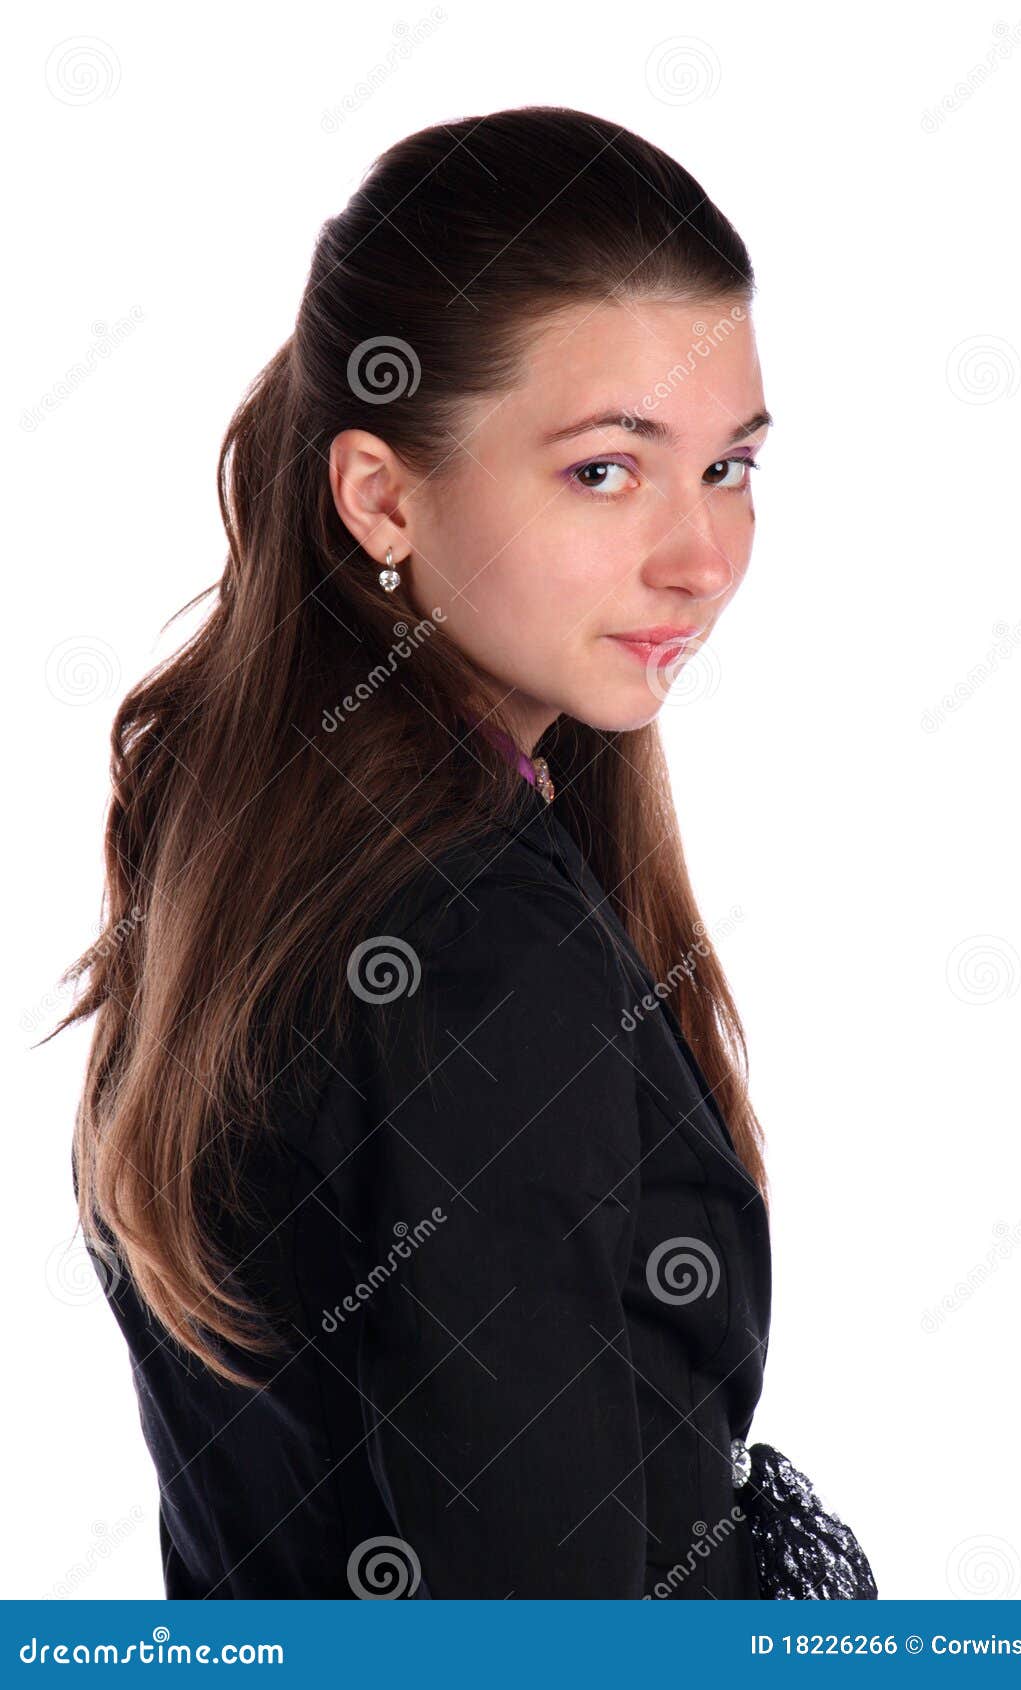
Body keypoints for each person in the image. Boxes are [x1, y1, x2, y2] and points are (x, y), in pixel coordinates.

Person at [57, 105, 798, 1598]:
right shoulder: (479, 942)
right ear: (383, 494)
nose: (699, 554)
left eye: (730, 467)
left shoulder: (249, 824)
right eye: (606, 470)